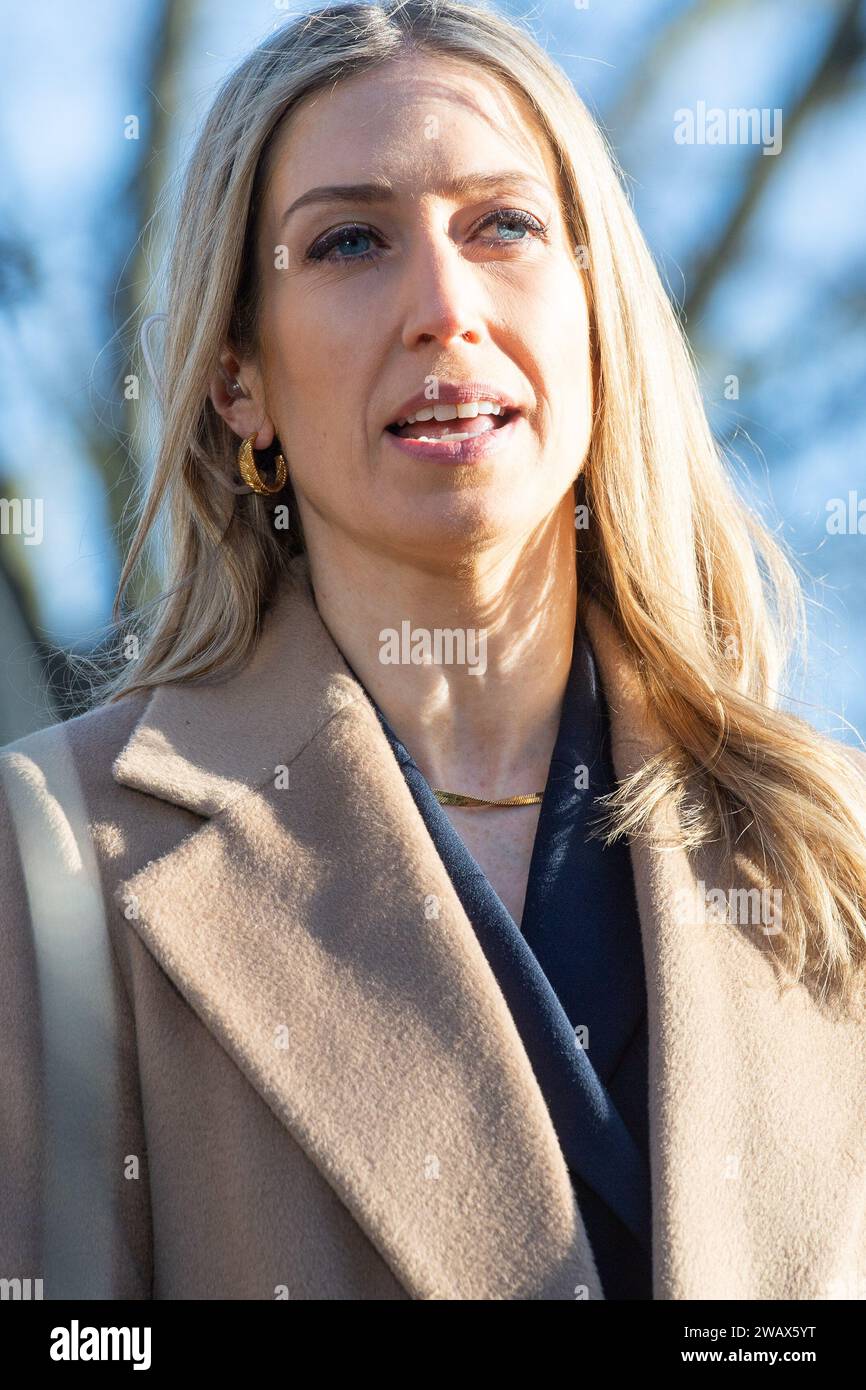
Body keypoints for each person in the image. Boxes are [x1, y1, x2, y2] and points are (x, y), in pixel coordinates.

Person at [2, 0, 866, 1303]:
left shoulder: (831, 850)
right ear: (239, 378)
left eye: (502, 225)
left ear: (592, 307)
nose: (443, 307)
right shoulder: (52, 855)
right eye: (348, 241)